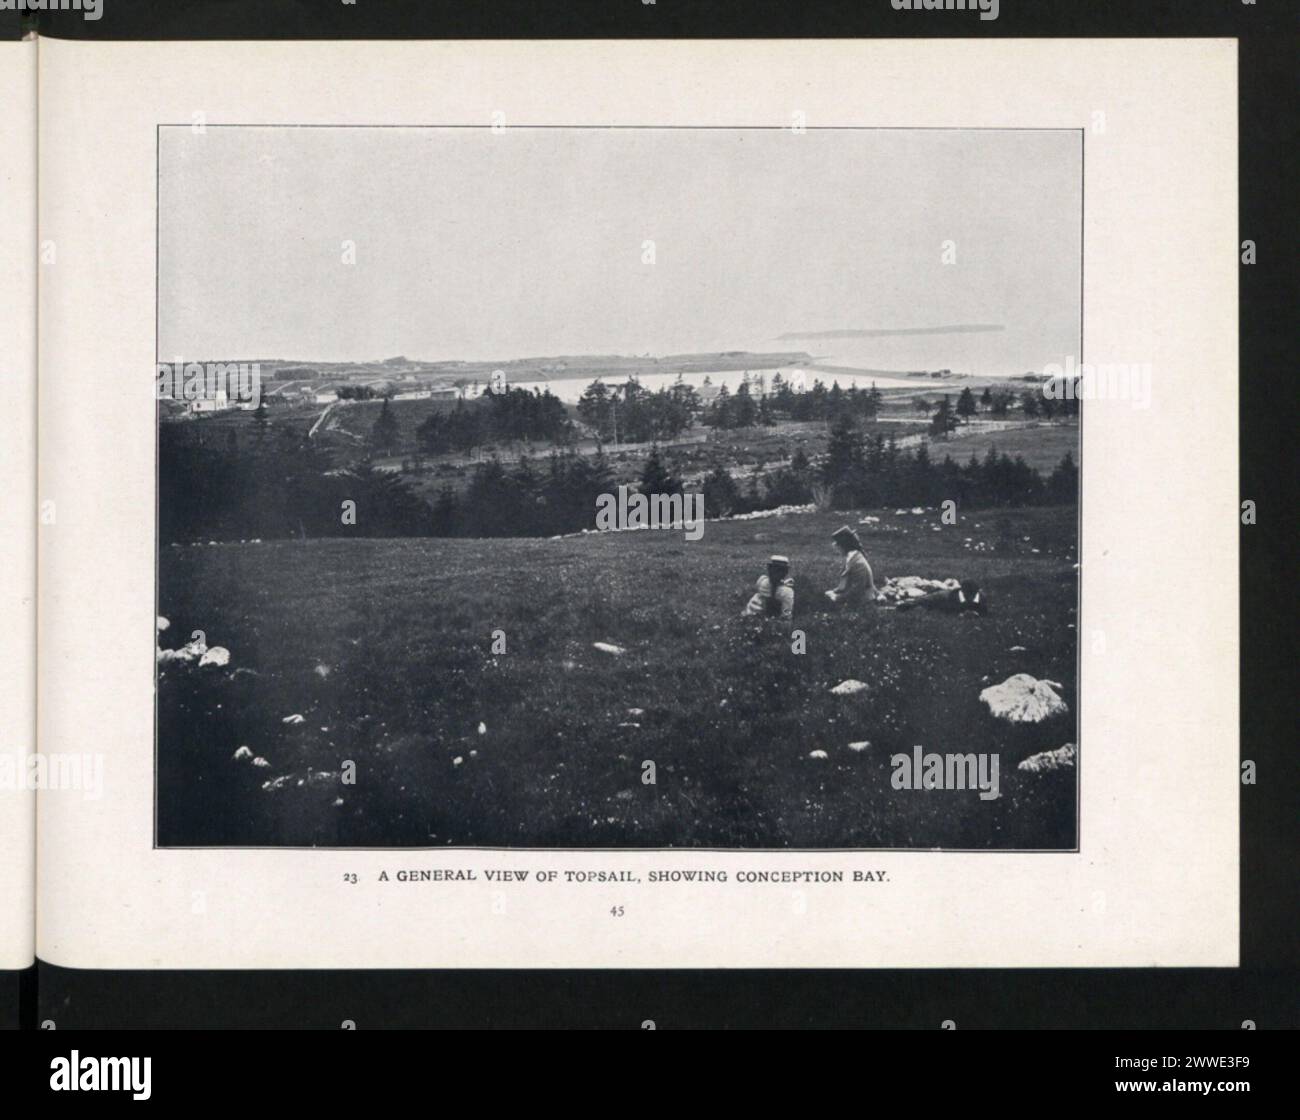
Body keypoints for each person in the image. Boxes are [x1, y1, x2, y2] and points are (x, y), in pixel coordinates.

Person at [824, 525, 878, 608]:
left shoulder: (857, 563)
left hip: (863, 602)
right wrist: (835, 591)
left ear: (843, 546)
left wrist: (837, 597)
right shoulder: (854, 558)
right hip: (858, 599)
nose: (837, 550)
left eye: (838, 546)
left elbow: (857, 589)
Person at [896, 578, 989, 615]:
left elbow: (984, 611)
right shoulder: (946, 596)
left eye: (974, 594)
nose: (972, 597)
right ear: (963, 592)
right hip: (938, 600)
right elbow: (948, 611)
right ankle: (900, 605)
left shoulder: (981, 597)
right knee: (918, 602)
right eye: (970, 594)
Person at [743, 555, 795, 621]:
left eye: (779, 570)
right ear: (785, 573)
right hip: (765, 618)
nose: (776, 573)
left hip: (752, 614)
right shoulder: (787, 592)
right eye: (775, 570)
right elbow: (786, 615)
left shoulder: (762, 580)